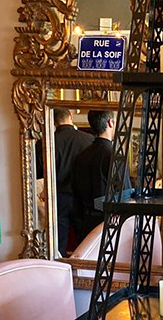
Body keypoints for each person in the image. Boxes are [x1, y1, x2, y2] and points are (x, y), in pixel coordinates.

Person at [73, 109, 132, 240]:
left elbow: (76, 193)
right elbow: (125, 195)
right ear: (111, 122)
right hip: (109, 224)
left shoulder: (81, 156)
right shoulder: (115, 157)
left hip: (86, 223)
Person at [43, 108, 93, 257]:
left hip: (57, 197)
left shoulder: (47, 141)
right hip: (82, 197)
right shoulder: (88, 140)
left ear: (53, 121)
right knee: (85, 241)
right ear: (70, 115)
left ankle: (60, 267)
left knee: (58, 243)